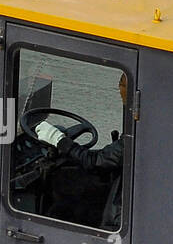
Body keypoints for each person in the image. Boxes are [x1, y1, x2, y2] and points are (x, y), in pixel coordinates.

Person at [34, 73, 127, 228]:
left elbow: (95, 161)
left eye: (123, 82)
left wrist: (59, 140)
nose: (119, 86)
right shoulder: (143, 119)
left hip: (118, 217)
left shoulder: (140, 130)